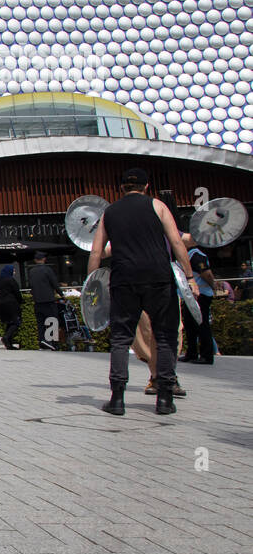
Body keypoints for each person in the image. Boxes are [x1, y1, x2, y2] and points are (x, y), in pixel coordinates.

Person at [89, 167, 192, 416]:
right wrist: (189, 277)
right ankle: (165, 399)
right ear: (146, 187)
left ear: (121, 187)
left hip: (124, 280)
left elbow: (96, 252)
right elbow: (177, 242)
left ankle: (117, 399)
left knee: (121, 340)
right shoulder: (158, 207)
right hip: (159, 279)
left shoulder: (109, 212)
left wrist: (92, 287)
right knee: (165, 336)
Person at [179, 235, 216, 365]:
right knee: (190, 325)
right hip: (189, 296)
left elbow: (206, 273)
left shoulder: (196, 255)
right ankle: (191, 353)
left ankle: (207, 355)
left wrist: (214, 286)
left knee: (202, 323)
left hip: (200, 295)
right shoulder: (186, 254)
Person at [28, 251, 64, 351]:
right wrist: (62, 295)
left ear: (35, 260)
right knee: (52, 321)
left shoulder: (31, 271)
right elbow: (54, 284)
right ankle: (52, 342)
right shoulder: (47, 270)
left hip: (37, 301)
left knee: (40, 322)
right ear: (44, 259)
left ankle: (42, 342)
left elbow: (31, 285)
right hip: (49, 300)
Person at [0, 264, 22, 350]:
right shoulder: (11, 280)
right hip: (11, 304)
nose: (14, 272)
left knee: (9, 322)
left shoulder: (1, 280)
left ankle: (9, 344)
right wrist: (21, 301)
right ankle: (6, 337)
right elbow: (17, 292)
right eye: (13, 270)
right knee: (16, 322)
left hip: (1, 304)